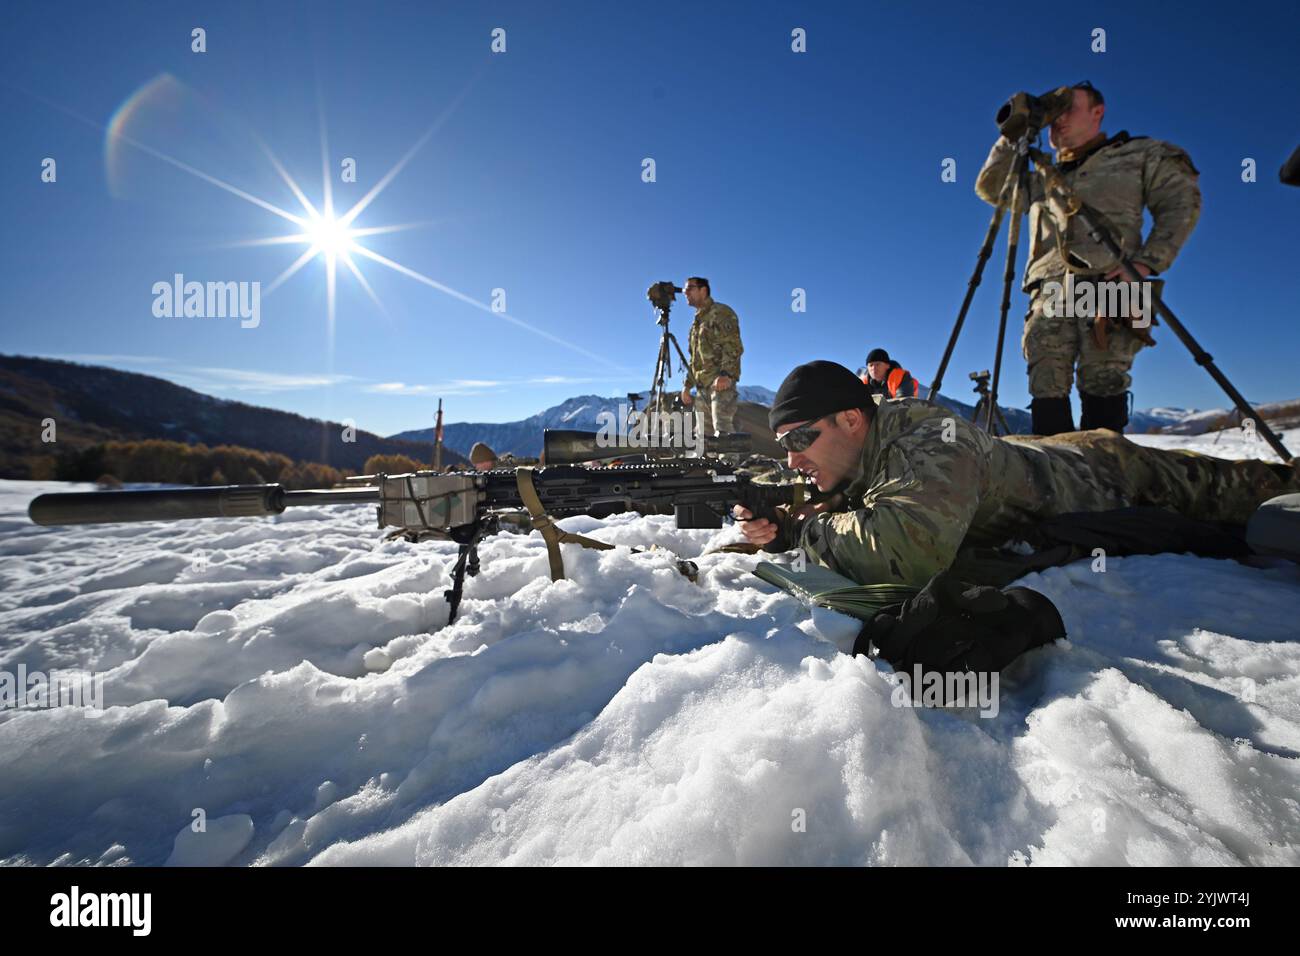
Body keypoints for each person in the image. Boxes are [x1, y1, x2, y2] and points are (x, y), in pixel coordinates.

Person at [735, 361, 1297, 594]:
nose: (793, 460)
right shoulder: (854, 449)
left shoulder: (927, 440)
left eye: (800, 440)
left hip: (1102, 474)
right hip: (1037, 454)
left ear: (852, 419)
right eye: (784, 446)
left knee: (1246, 487)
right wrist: (776, 513)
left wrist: (801, 532)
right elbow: (823, 491)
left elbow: (905, 554)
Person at [975, 82, 1201, 435]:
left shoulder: (1139, 154)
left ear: (1098, 112)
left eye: (1068, 109)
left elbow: (1181, 203)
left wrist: (1146, 263)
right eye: (1053, 113)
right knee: (1045, 379)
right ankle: (1055, 466)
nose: (1058, 120)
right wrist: (1013, 135)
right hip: (1051, 287)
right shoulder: (1041, 175)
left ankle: (1105, 468)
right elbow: (992, 187)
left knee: (1105, 381)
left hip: (1115, 280)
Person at [679, 277, 743, 438]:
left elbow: (732, 345)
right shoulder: (696, 324)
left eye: (690, 288)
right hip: (702, 386)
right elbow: (694, 359)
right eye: (685, 289)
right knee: (702, 436)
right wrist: (687, 386)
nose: (685, 292)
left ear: (703, 290)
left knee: (723, 431)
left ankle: (728, 456)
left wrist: (726, 374)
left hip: (720, 384)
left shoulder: (721, 313)